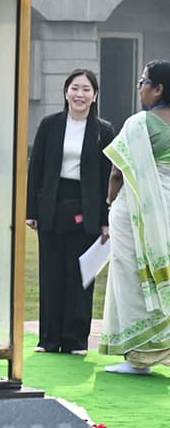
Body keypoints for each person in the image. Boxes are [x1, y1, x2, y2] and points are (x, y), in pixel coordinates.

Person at [27, 69, 115, 355]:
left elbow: (107, 177)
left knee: (80, 275)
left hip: (86, 208)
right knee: (51, 273)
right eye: (75, 88)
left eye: (86, 89)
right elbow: (35, 169)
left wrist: (106, 220)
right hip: (52, 205)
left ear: (95, 95)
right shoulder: (50, 125)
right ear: (66, 92)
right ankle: (49, 339)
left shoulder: (103, 130)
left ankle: (76, 340)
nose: (80, 94)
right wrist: (31, 210)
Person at [99, 60, 170, 375]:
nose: (139, 87)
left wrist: (110, 201)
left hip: (137, 212)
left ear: (158, 89)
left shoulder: (139, 124)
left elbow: (117, 172)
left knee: (133, 277)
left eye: (143, 81)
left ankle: (139, 358)